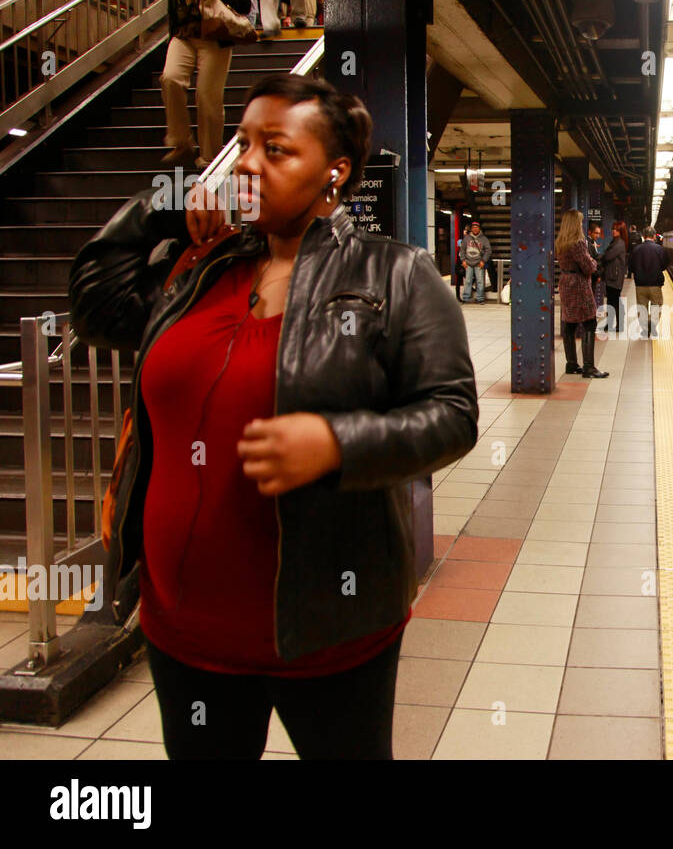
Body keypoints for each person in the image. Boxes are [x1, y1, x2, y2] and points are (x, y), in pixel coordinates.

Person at [68, 74, 478, 759]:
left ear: (335, 172)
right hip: (182, 631)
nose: (248, 163)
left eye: (277, 150)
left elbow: (452, 414)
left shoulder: (397, 275)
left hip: (329, 629)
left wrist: (338, 442)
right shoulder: (200, 269)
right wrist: (169, 207)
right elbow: (93, 299)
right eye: (242, 143)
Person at [160, 0, 251, 169]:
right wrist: (171, 38)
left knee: (207, 96)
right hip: (184, 36)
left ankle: (209, 157)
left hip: (214, 38)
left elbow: (244, 4)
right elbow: (173, 8)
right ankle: (181, 141)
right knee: (170, 79)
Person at [557, 208, 608, 378]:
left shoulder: (561, 242)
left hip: (565, 283)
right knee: (589, 323)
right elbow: (589, 266)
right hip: (578, 285)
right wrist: (593, 260)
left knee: (569, 325)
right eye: (579, 221)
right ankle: (589, 367)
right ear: (574, 224)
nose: (581, 224)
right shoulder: (578, 243)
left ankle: (571, 364)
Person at [629, 229, 669, 338]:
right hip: (655, 284)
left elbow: (631, 266)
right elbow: (665, 265)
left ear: (643, 235)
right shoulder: (659, 249)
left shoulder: (636, 249)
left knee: (642, 307)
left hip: (640, 284)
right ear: (654, 237)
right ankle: (653, 326)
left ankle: (645, 330)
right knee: (657, 306)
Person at [600, 221, 628, 334]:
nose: (613, 231)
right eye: (613, 228)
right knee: (612, 301)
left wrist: (601, 257)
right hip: (612, 276)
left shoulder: (619, 243)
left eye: (616, 229)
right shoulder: (615, 241)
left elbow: (608, 256)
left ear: (620, 231)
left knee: (614, 301)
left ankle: (619, 324)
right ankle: (610, 323)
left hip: (615, 277)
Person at [459, 221, 492, 304]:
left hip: (479, 263)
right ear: (471, 229)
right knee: (468, 281)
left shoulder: (484, 239)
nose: (475, 229)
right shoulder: (466, 238)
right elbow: (462, 250)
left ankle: (480, 298)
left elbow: (488, 251)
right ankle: (466, 298)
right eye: (473, 227)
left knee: (480, 281)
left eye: (476, 227)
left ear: (479, 229)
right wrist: (463, 260)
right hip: (468, 262)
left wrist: (483, 261)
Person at [586, 222, 604, 321]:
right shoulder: (589, 244)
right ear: (590, 232)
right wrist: (598, 274)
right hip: (591, 276)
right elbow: (593, 260)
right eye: (596, 233)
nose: (597, 235)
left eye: (598, 233)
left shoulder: (592, 243)